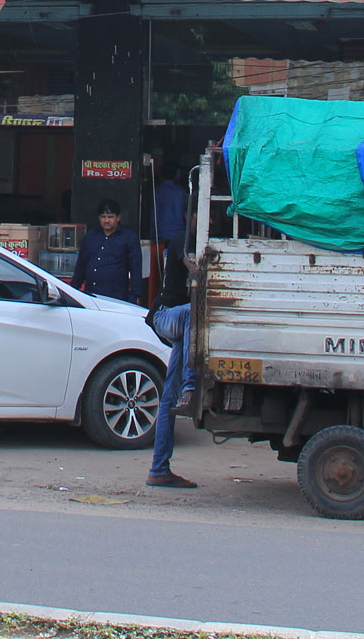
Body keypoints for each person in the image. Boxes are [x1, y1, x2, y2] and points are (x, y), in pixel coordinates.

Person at [147, 303, 196, 488]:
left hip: (176, 320)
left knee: (168, 399)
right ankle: (189, 384)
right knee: (194, 311)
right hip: (165, 314)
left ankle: (159, 469)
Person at [73, 199, 143, 303]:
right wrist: (74, 290)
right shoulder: (91, 236)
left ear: (118, 217)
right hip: (90, 296)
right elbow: (81, 265)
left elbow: (136, 269)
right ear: (99, 218)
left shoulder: (129, 237)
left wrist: (134, 296)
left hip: (116, 298)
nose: (106, 220)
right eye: (103, 217)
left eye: (110, 217)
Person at [154, 166, 190, 308]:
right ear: (176, 176)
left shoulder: (157, 192)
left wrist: (154, 236)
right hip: (179, 237)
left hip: (161, 238)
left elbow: (154, 216)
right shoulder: (182, 193)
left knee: (163, 274)